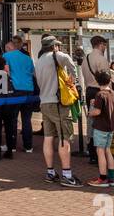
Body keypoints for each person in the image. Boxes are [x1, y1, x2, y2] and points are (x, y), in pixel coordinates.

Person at [34, 34, 82, 187]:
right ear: (54, 46)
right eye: (57, 45)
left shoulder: (39, 61)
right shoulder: (57, 56)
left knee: (48, 137)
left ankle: (50, 172)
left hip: (44, 103)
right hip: (58, 103)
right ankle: (67, 174)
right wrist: (72, 80)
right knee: (64, 138)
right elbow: (71, 63)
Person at [3, 37, 36, 154]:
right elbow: (33, 73)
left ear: (9, 47)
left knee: (12, 119)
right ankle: (28, 146)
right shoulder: (28, 58)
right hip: (29, 90)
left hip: (15, 90)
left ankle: (11, 146)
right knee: (27, 120)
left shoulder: (6, 56)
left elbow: (5, 72)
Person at [86, 70, 114, 188]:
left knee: (100, 151)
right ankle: (111, 177)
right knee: (107, 150)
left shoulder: (100, 94)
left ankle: (102, 178)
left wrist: (90, 112)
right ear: (109, 80)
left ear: (97, 82)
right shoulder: (112, 93)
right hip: (109, 126)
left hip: (100, 127)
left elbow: (97, 111)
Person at [83, 36, 111, 113]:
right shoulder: (101, 59)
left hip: (89, 91)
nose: (105, 48)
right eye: (105, 45)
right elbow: (107, 79)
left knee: (92, 118)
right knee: (102, 119)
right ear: (101, 44)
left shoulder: (86, 59)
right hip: (100, 92)